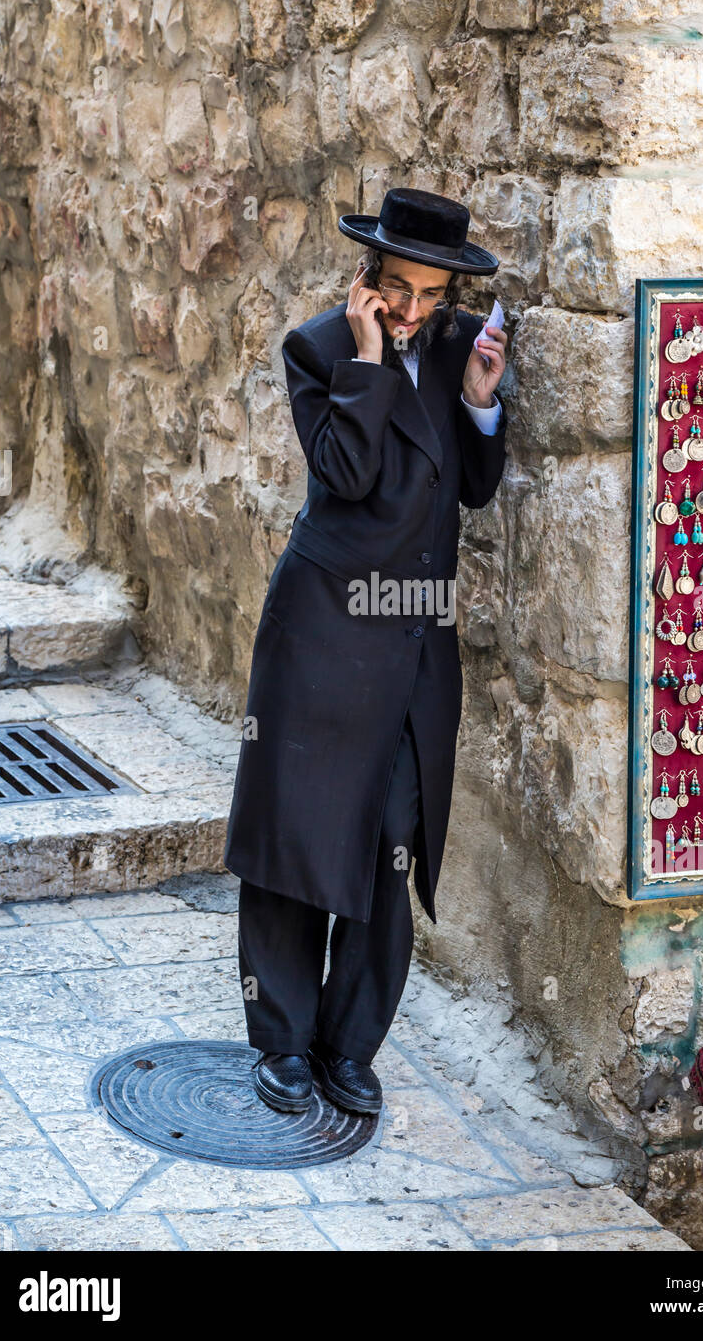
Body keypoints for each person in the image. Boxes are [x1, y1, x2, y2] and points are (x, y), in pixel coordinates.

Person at [223, 187, 508, 1116]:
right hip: (322, 627)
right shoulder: (320, 349)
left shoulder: (463, 351)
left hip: (417, 632)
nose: (415, 310)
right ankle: (283, 1041)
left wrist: (478, 406)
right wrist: (373, 357)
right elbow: (343, 476)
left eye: (432, 296)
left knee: (393, 834)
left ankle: (350, 1046)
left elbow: (469, 491)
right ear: (367, 277)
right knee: (298, 833)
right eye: (397, 289)